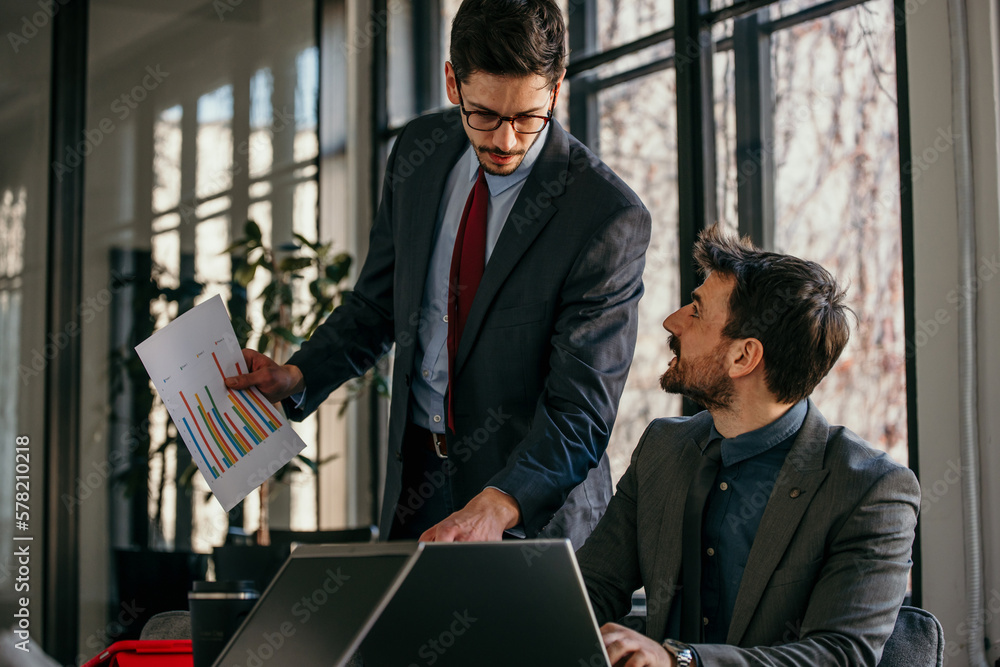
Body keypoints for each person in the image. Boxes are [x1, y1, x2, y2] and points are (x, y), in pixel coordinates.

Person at [225, 0, 651, 547]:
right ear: (453, 82)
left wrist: (500, 505)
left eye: (527, 117)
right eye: (485, 115)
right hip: (415, 482)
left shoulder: (604, 215)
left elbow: (580, 413)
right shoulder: (416, 155)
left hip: (527, 512)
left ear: (557, 88)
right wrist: (300, 375)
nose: (505, 140)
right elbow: (378, 307)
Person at [577, 225, 919, 666]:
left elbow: (839, 656)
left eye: (697, 311)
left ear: (744, 357)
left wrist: (682, 661)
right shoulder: (663, 446)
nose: (672, 321)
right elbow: (595, 587)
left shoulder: (873, 490)